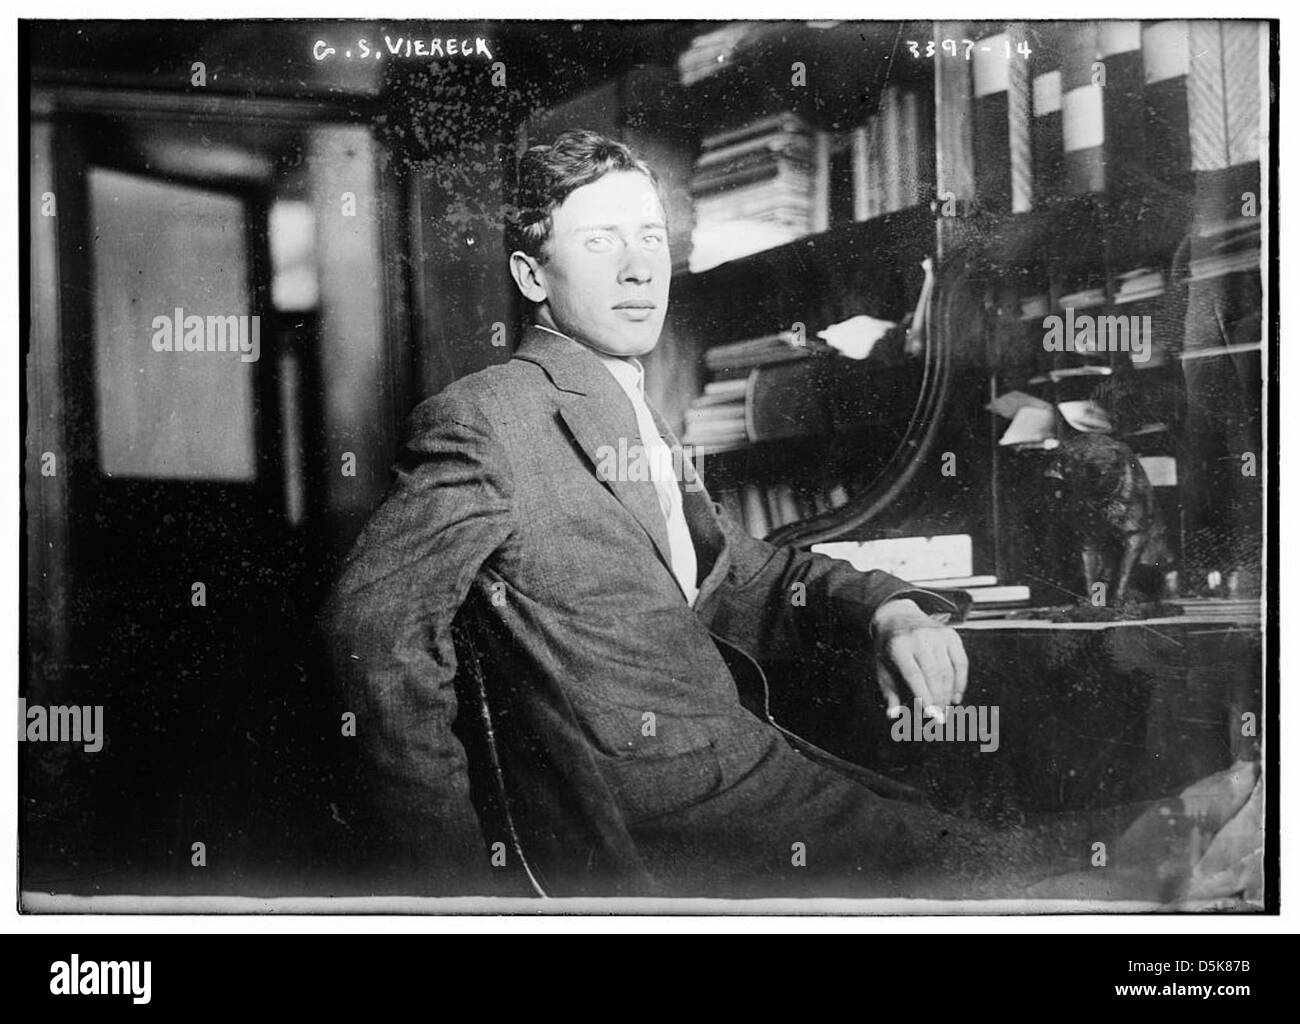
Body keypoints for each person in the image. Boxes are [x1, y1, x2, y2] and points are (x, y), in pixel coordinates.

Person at [321, 129, 1250, 901]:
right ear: (532, 274)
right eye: (601, 241)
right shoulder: (490, 416)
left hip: (740, 770)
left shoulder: (627, 402)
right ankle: (1183, 863)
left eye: (651, 237)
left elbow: (734, 578)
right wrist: (449, 892)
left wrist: (885, 607)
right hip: (666, 826)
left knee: (1006, 841)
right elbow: (371, 639)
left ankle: (1198, 846)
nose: (641, 268)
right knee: (1022, 868)